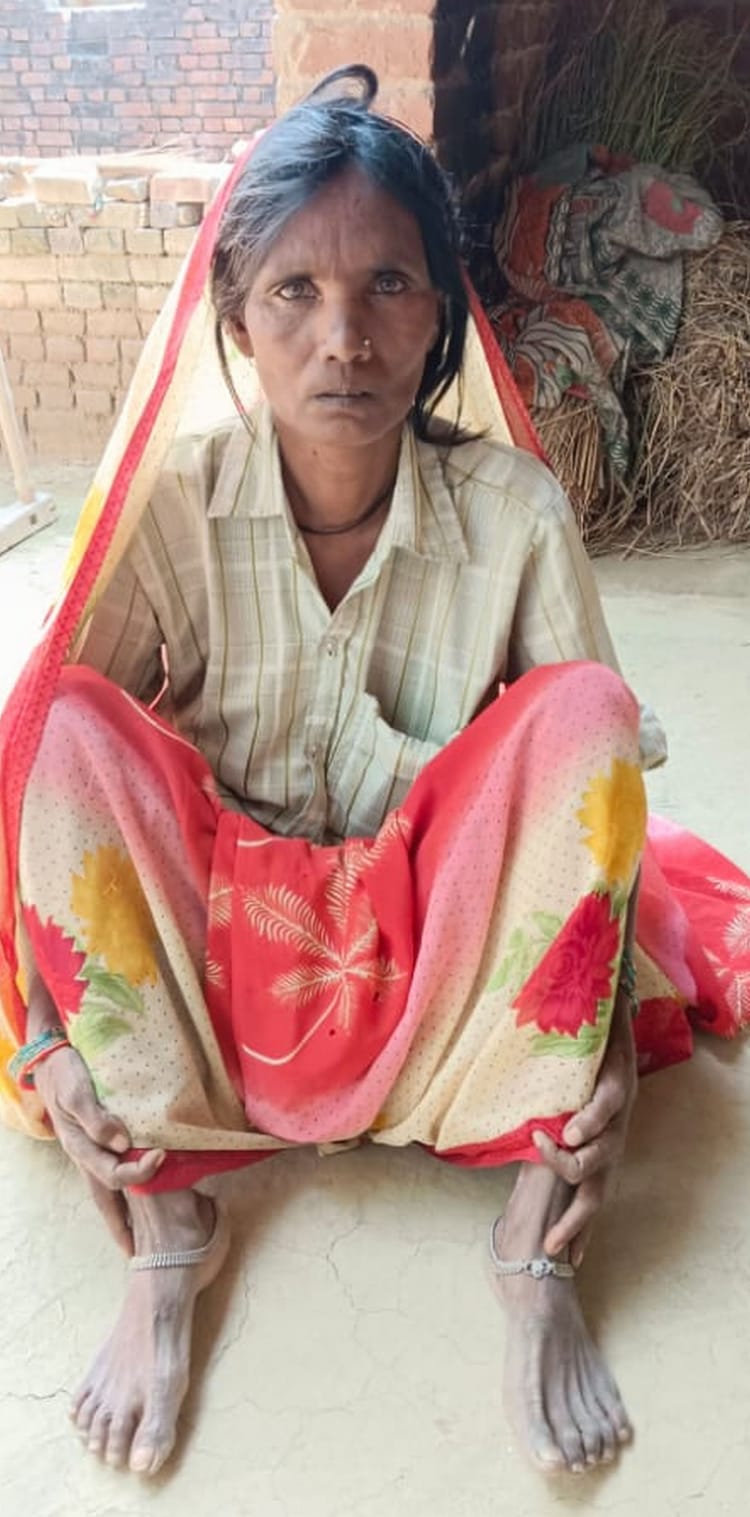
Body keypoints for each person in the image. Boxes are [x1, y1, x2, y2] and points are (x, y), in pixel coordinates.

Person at [1, 66, 748, 1481]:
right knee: (59, 719)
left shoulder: (514, 512)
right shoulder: (180, 506)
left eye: (388, 286)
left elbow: (580, 812)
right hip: (222, 974)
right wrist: (52, 1032)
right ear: (234, 322)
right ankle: (167, 1229)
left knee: (585, 708)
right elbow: (55, 776)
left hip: (436, 975)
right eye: (292, 292)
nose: (341, 337)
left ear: (444, 323)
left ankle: (533, 1248)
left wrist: (598, 1071)